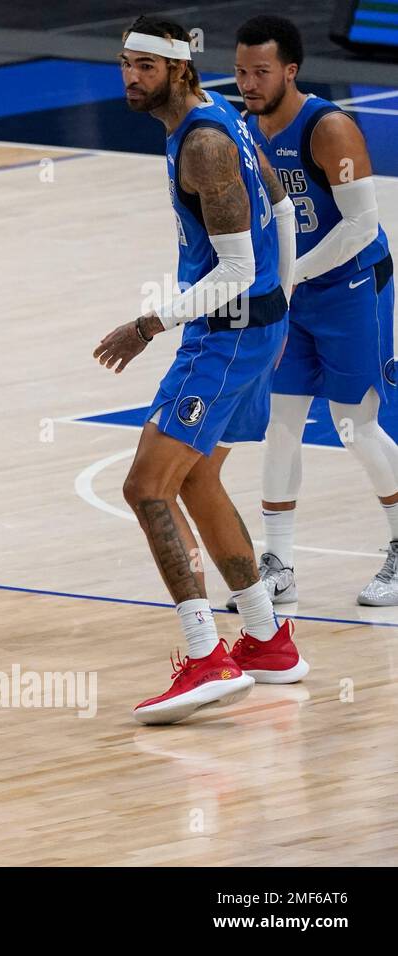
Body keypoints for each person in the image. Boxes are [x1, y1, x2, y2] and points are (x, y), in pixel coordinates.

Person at [95, 16, 308, 726]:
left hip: (225, 336)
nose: (131, 78)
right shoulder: (222, 116)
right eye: (125, 64)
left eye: (145, 67)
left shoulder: (206, 144)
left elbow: (238, 268)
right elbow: (280, 204)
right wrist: (282, 307)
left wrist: (146, 325)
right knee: (199, 478)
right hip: (253, 329)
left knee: (146, 487)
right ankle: (268, 638)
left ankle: (206, 654)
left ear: (178, 70)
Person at [233, 15, 397, 607]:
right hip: (293, 292)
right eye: (241, 72)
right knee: (280, 423)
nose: (248, 83)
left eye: (261, 72)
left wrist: (289, 275)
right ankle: (279, 564)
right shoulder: (243, 130)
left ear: (291, 71)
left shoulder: (329, 128)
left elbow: (361, 226)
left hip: (351, 287)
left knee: (355, 425)